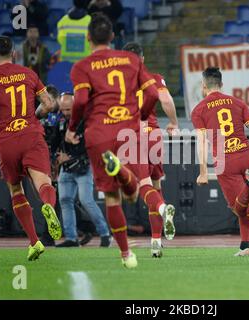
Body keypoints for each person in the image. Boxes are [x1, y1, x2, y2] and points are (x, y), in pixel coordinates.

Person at [65, 13, 176, 268]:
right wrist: (145, 115)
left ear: (88, 38)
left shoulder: (82, 66)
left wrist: (72, 127)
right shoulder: (131, 61)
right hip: (133, 132)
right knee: (144, 186)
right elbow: (153, 94)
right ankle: (151, 204)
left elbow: (80, 101)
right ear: (113, 37)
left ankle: (126, 254)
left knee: (113, 197)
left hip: (100, 134)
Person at [0, 36, 61, 261]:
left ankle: (34, 242)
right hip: (31, 134)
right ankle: (48, 206)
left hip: (6, 139)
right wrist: (35, 116)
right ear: (14, 54)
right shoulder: (29, 73)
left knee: (16, 190)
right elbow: (49, 103)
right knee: (43, 182)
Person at [191, 67, 249, 256]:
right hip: (246, 155)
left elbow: (201, 142)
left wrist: (202, 171)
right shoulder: (238, 103)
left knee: (238, 208)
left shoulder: (198, 110)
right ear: (221, 84)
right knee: (246, 205)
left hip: (225, 161)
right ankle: (245, 247)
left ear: (203, 86)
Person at [122, 42, 178, 258]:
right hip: (154, 135)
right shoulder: (154, 77)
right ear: (142, 59)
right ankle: (156, 241)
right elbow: (165, 99)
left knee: (144, 187)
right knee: (156, 186)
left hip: (132, 136)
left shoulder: (118, 82)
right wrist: (173, 122)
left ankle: (164, 210)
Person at [40, 92, 112, 248]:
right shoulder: (59, 121)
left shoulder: (87, 121)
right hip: (66, 169)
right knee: (65, 200)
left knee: (86, 200)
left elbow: (91, 147)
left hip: (83, 168)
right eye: (63, 109)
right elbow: (55, 142)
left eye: (68, 110)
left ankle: (105, 234)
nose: (65, 113)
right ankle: (72, 238)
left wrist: (70, 156)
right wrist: (54, 155)